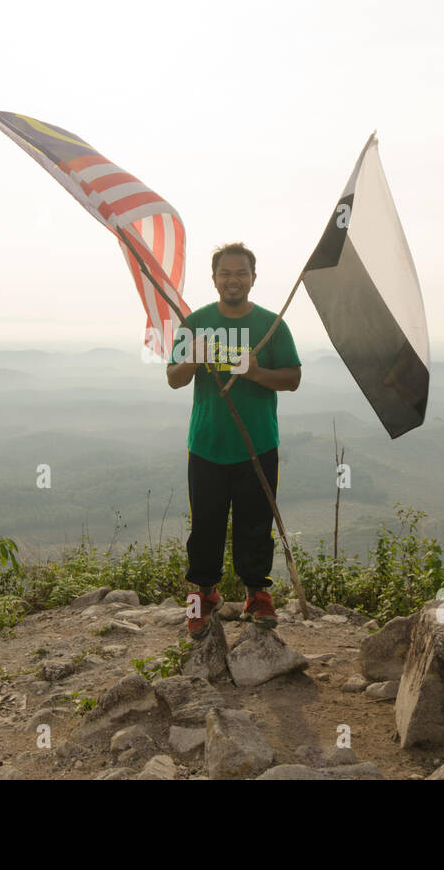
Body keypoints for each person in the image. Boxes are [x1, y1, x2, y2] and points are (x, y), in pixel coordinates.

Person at [166, 242, 301, 638]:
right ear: (214, 279)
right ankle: (202, 598)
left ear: (253, 278)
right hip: (207, 444)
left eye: (241, 273)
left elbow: (292, 378)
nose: (233, 280)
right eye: (226, 273)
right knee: (204, 526)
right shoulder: (195, 322)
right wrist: (196, 355)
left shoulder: (272, 325)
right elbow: (174, 378)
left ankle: (256, 594)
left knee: (254, 525)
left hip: (257, 444)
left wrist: (256, 373)